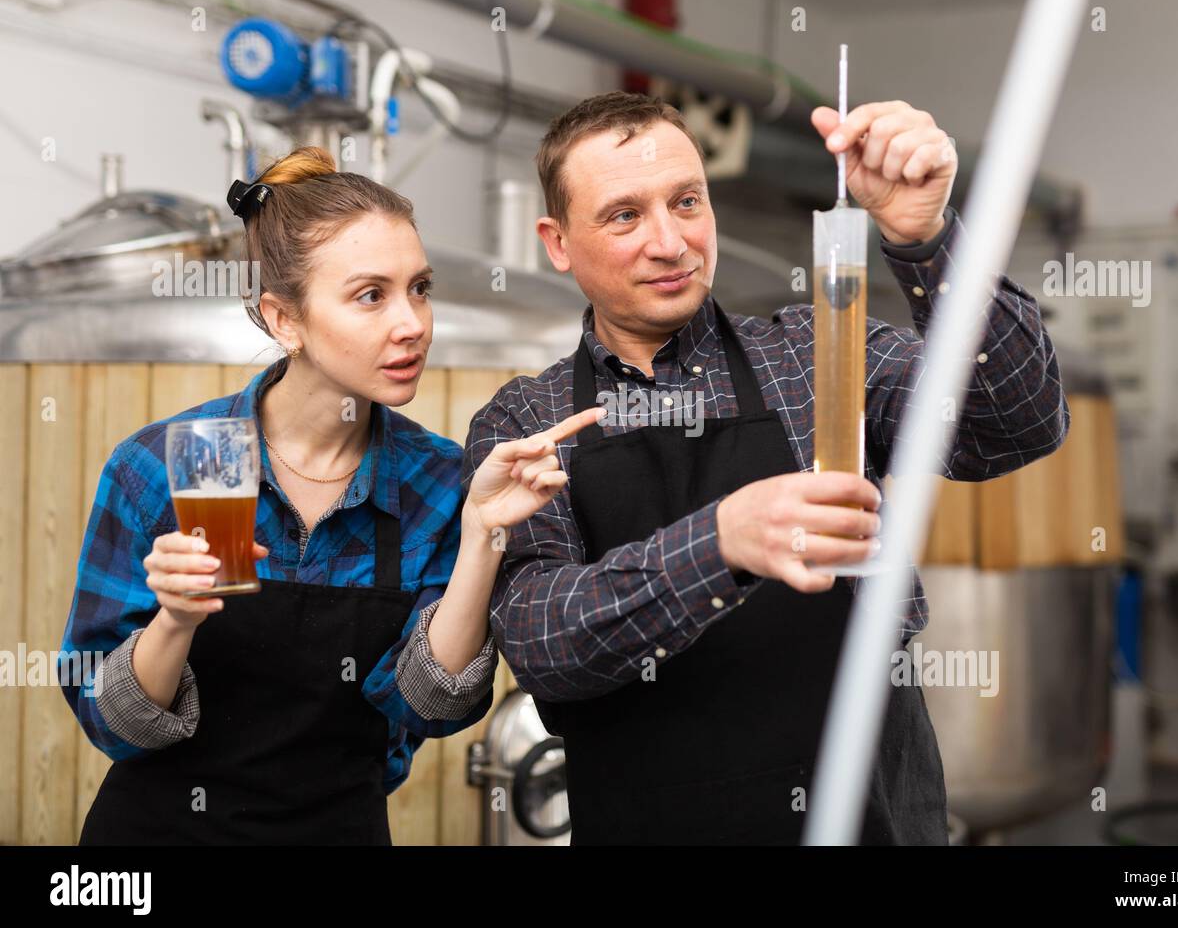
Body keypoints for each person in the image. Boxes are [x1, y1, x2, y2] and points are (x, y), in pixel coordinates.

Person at [464, 92, 1071, 844]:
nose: (669, 242)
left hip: (867, 817)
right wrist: (719, 543)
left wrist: (928, 240)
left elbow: (1014, 424)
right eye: (624, 216)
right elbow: (541, 644)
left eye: (686, 202)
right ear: (557, 242)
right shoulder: (527, 420)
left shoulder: (822, 355)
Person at [61, 147, 603, 844]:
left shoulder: (437, 481)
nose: (412, 323)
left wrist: (483, 535)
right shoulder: (161, 466)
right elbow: (113, 725)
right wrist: (173, 621)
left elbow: (431, 704)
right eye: (370, 295)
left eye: (420, 287)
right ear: (284, 320)